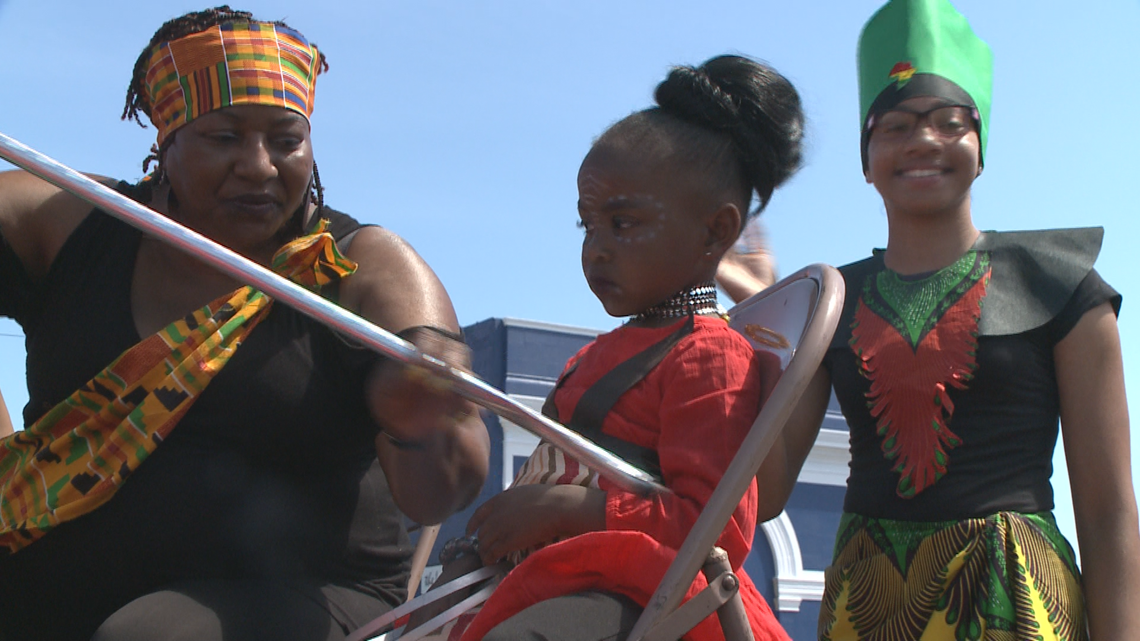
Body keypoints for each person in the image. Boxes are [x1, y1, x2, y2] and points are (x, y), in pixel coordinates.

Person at [0, 7, 489, 640]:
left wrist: (426, 419)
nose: (259, 166)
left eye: (287, 140)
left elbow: (438, 497)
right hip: (50, 581)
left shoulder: (365, 266)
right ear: (165, 142)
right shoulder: (62, 223)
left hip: (303, 597)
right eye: (224, 137)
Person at [743, 1, 1140, 639]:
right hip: (868, 601)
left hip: (1014, 598)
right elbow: (766, 490)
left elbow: (1108, 508)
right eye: (895, 126)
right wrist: (761, 331)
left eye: (950, 122)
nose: (924, 140)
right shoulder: (830, 301)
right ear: (866, 159)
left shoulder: (1063, 285)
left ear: (981, 149)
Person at [416, 54, 805, 641]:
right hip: (566, 583)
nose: (595, 248)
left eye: (622, 224)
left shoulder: (710, 357)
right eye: (587, 225)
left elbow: (715, 533)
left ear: (716, 232)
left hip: (649, 598)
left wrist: (564, 513)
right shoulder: (595, 356)